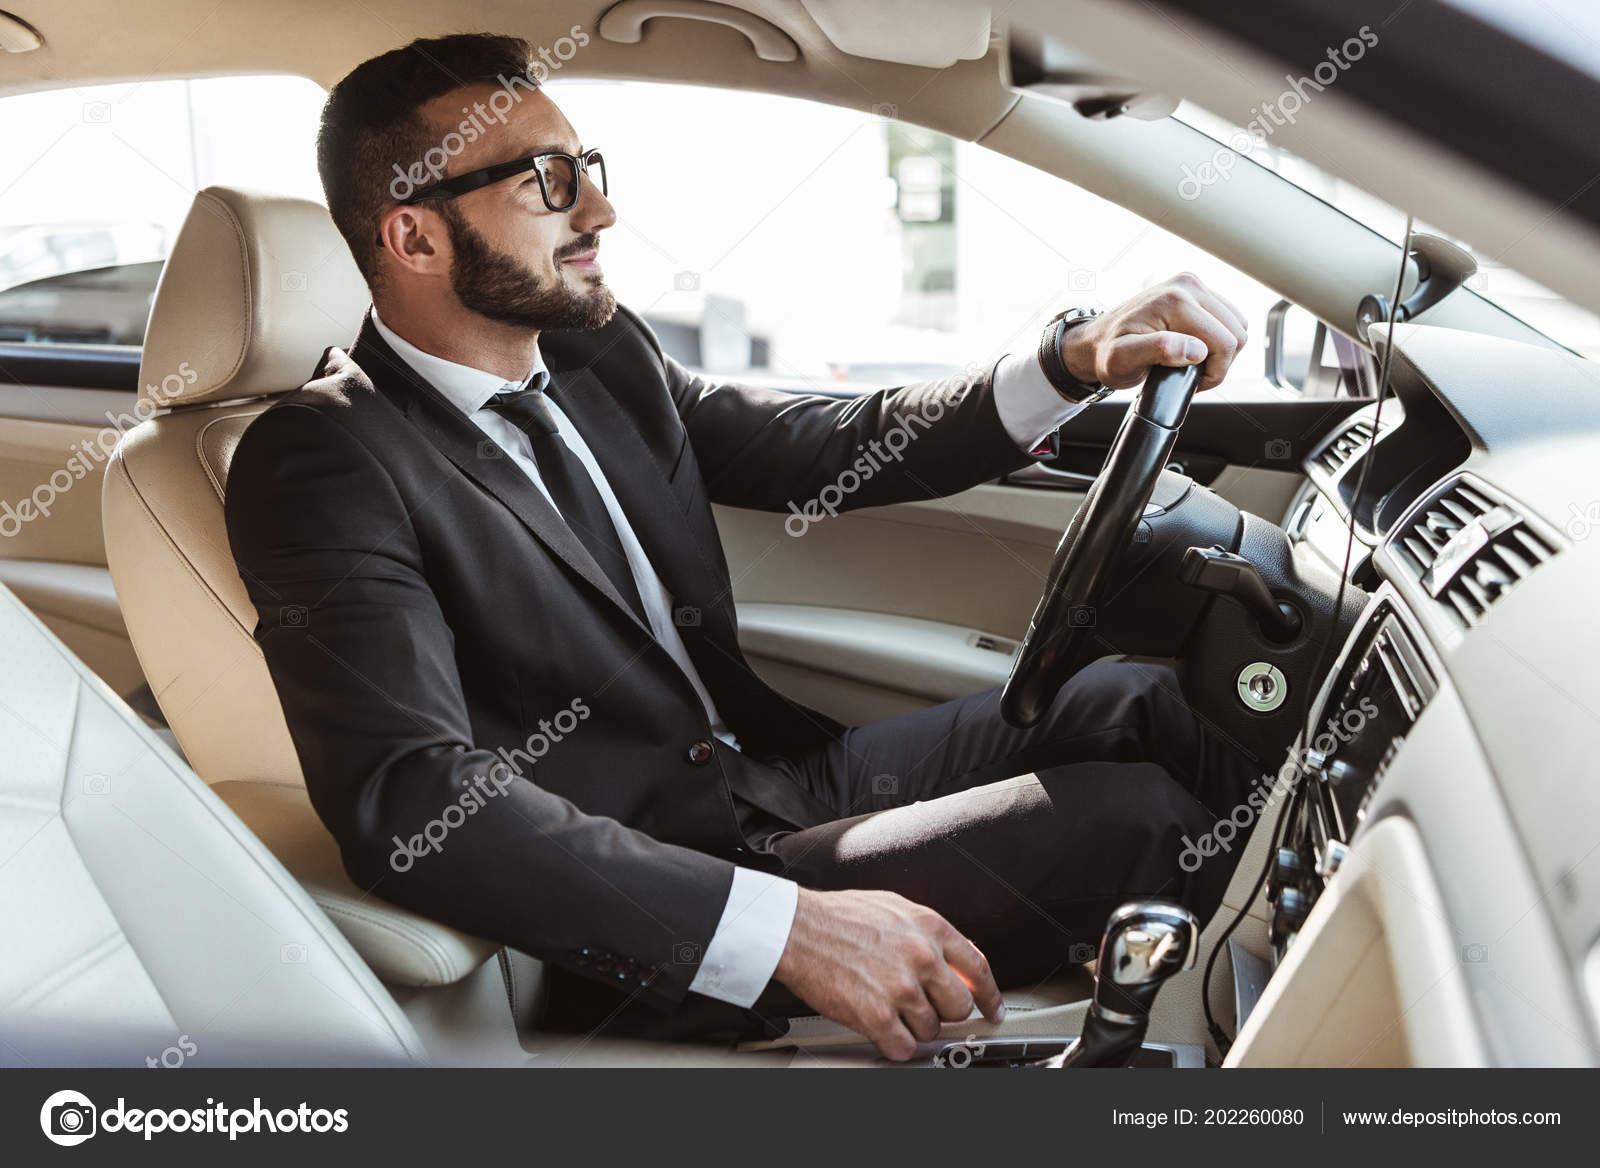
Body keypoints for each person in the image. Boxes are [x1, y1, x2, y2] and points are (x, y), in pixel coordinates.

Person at [225, 33, 1257, 1060]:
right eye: (547, 182)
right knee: (1135, 820)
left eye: (585, 167)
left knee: (1135, 698)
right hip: (666, 879)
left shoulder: (592, 348)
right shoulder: (323, 461)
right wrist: (790, 929)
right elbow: (415, 798)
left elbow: (816, 446)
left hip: (778, 779)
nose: (599, 210)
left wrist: (1069, 363)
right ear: (414, 240)